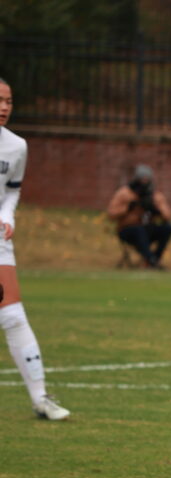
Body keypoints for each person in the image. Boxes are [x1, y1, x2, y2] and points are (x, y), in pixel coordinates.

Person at [0, 76, 70, 421]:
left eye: (9, 101)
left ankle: (41, 398)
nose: (4, 107)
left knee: (12, 315)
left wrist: (6, 215)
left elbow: (12, 190)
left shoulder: (16, 147)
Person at [107, 164, 171, 269]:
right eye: (142, 179)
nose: (144, 182)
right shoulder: (125, 193)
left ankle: (154, 260)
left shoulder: (155, 195)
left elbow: (168, 215)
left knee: (168, 228)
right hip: (127, 230)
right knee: (139, 230)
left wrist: (156, 211)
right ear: (136, 179)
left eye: (147, 179)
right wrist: (127, 208)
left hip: (147, 229)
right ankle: (151, 260)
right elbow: (111, 214)